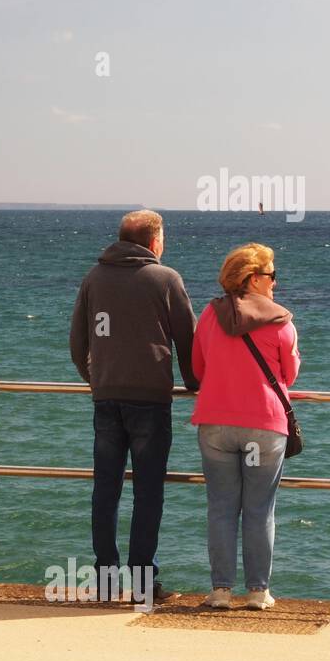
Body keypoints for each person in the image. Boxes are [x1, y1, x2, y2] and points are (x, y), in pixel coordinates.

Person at [69, 210, 199, 603]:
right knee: (148, 493)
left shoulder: (94, 277)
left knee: (105, 491)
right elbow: (187, 339)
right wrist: (194, 383)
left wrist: (97, 378)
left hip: (107, 398)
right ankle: (144, 583)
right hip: (150, 399)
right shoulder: (166, 279)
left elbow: (78, 341)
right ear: (154, 241)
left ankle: (105, 580)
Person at [191, 243, 300, 610]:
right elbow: (290, 374)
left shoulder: (209, 314)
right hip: (264, 426)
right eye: (271, 276)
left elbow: (197, 369)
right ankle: (258, 592)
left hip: (215, 424)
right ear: (254, 279)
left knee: (221, 508)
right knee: (259, 510)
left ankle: (220, 591)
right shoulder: (281, 319)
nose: (275, 284)